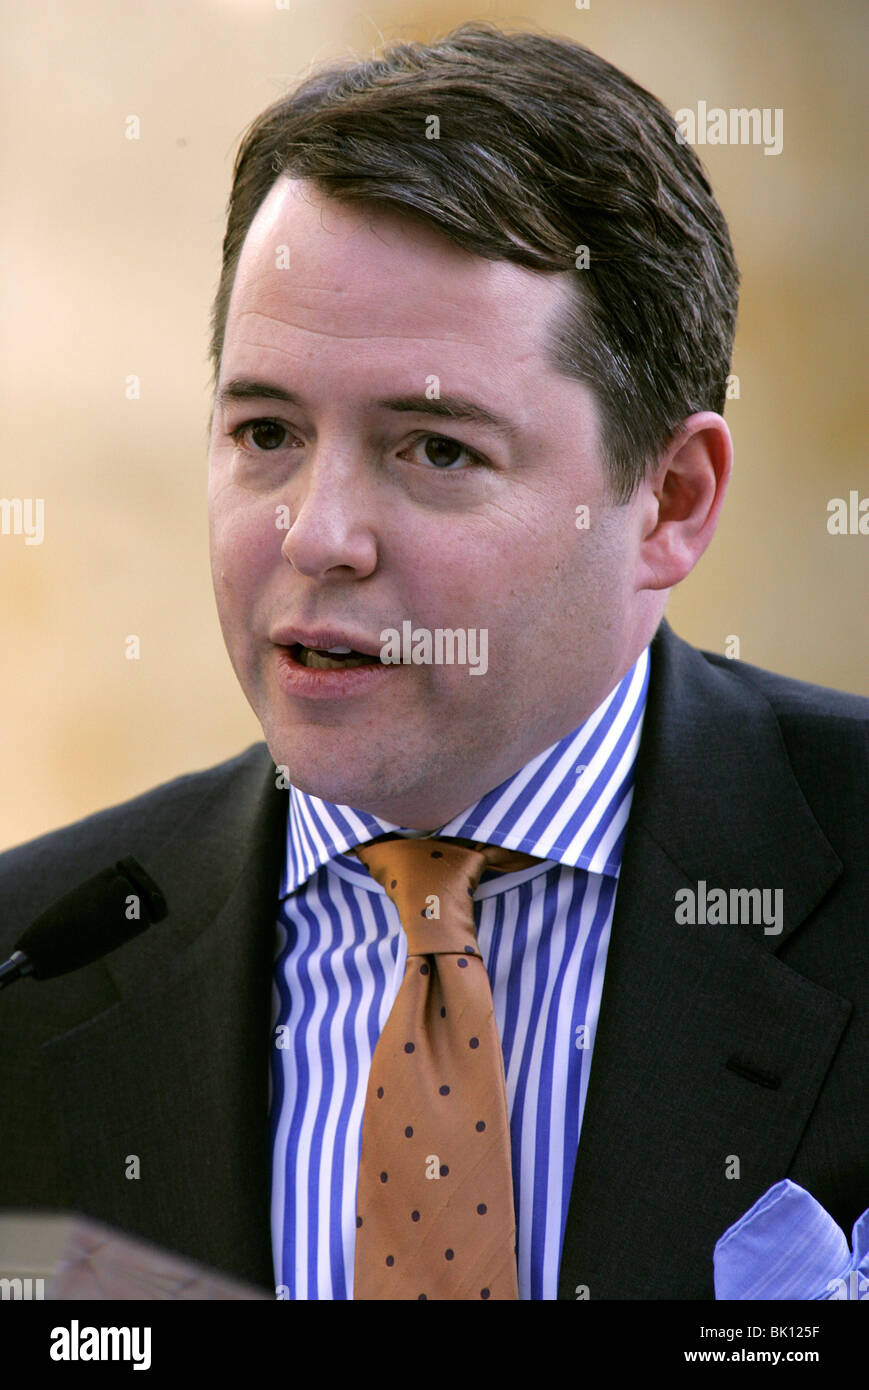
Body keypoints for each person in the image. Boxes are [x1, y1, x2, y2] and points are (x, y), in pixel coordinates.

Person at [0, 22, 866, 1301]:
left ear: (670, 499)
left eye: (435, 449)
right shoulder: (34, 967)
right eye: (265, 431)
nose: (316, 532)